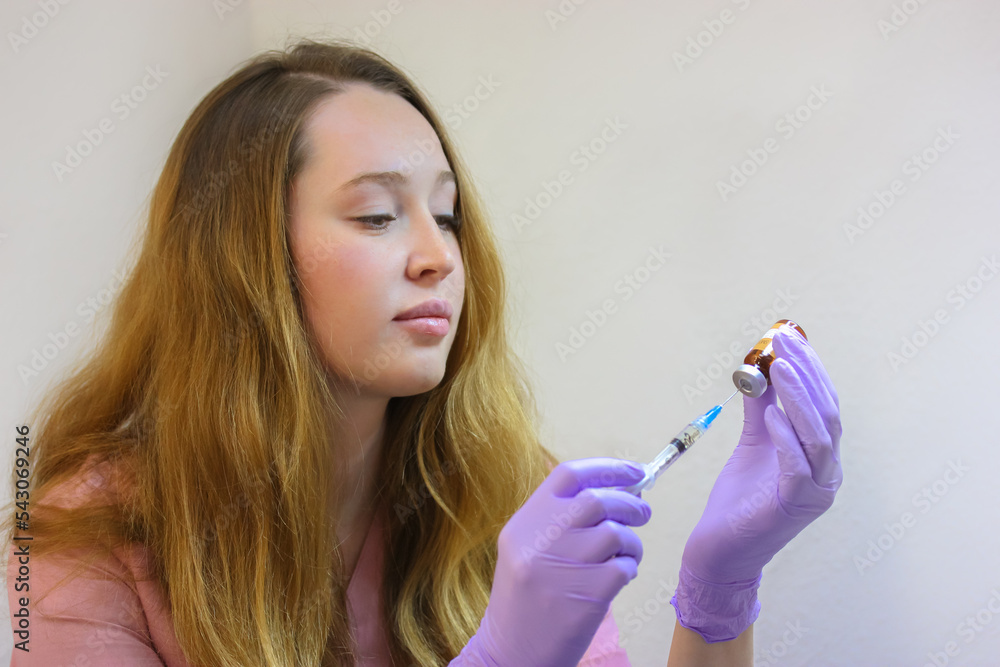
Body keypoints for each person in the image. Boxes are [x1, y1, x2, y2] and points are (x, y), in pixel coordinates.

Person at [2, 38, 842, 666]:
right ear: (242, 262)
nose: (439, 255)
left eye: (445, 214)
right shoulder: (80, 544)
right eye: (375, 215)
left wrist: (720, 584)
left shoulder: (503, 492)